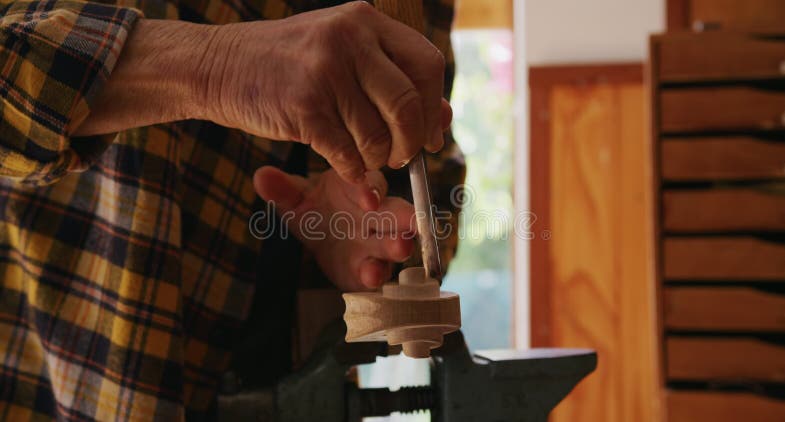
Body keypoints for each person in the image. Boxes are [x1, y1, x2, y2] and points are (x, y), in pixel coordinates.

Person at [0, 0, 464, 419]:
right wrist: (216, 66)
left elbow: (432, 172)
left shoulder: (418, 8)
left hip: (303, 385)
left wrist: (377, 237)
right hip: (68, 385)